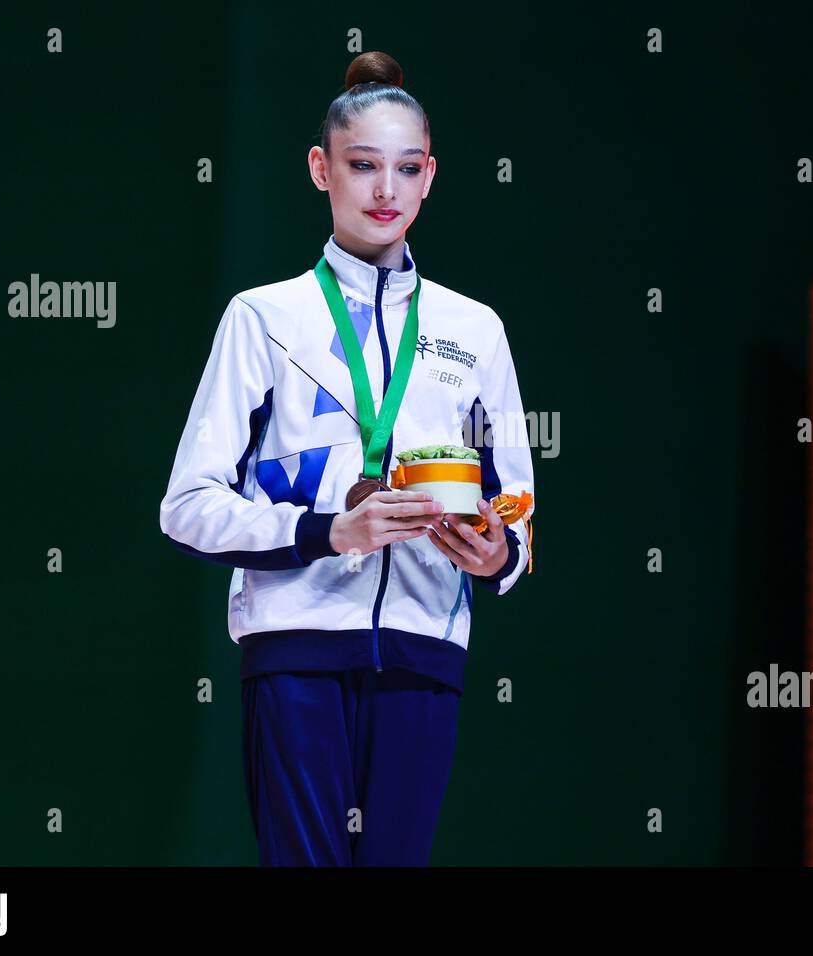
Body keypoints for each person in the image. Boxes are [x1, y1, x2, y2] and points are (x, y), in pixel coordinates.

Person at [158, 50, 535, 866]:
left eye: (405, 169)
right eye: (363, 166)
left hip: (426, 653)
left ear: (431, 176)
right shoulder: (263, 318)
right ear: (320, 168)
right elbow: (186, 504)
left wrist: (499, 551)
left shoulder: (477, 330)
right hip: (296, 648)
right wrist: (330, 532)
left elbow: (517, 505)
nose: (385, 191)